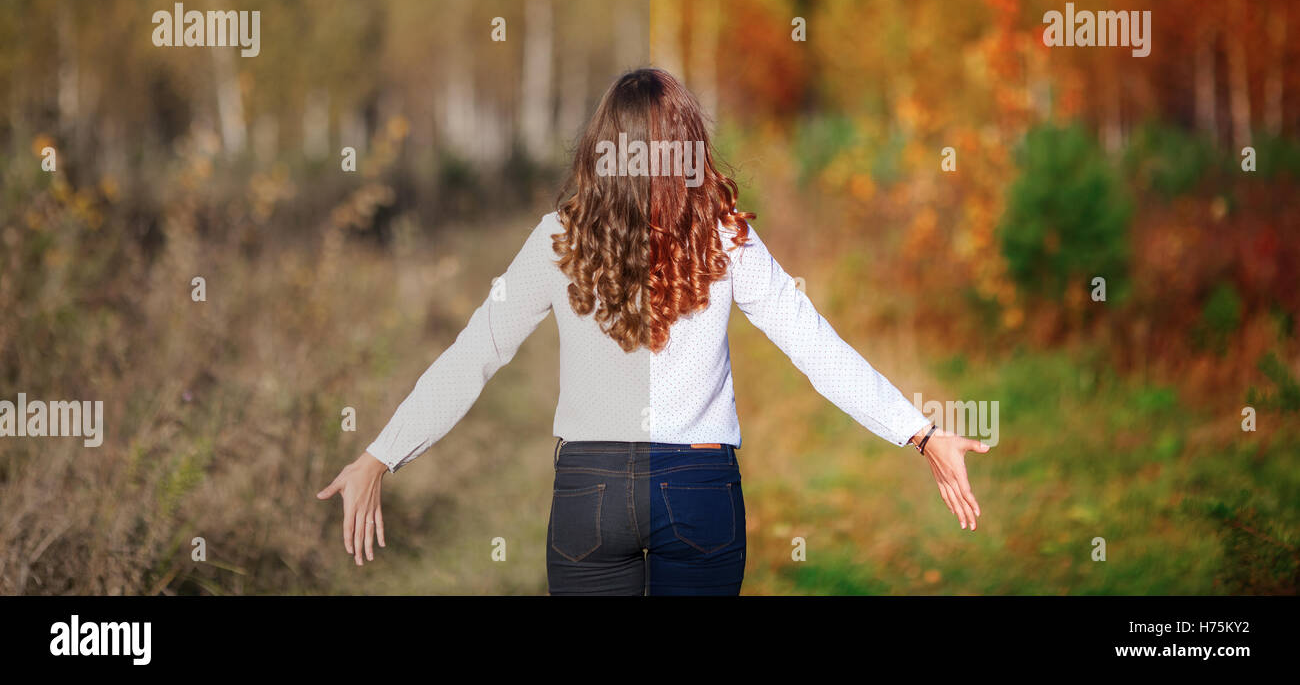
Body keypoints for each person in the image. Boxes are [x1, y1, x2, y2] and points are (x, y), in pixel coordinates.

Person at [318, 67, 990, 594]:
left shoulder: (561, 235)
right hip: (699, 488)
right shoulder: (726, 236)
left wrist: (382, 452)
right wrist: (919, 431)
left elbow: (477, 353)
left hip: (590, 489)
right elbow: (813, 345)